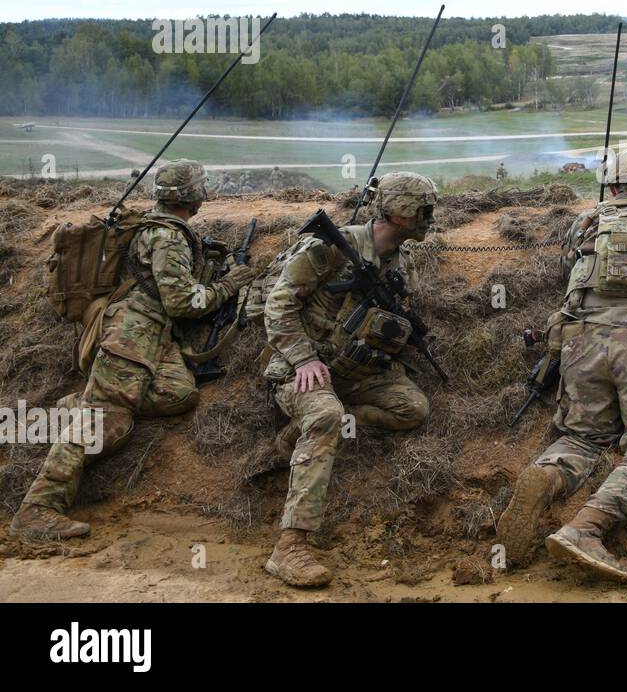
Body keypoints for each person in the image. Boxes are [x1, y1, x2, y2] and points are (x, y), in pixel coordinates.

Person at [8, 160, 255, 541]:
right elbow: (181, 303)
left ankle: (85, 401)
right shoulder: (169, 237)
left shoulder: (157, 227)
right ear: (191, 195)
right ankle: (37, 509)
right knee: (106, 425)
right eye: (202, 186)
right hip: (130, 339)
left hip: (153, 338)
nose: (205, 191)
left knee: (180, 392)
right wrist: (229, 284)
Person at [496, 148, 627, 582]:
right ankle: (587, 529)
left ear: (610, 186)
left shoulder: (586, 222)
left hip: (583, 344)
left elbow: (570, 273)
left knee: (583, 437)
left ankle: (548, 477)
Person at [260, 172, 437, 587]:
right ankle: (290, 547)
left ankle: (310, 427)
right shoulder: (329, 248)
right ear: (401, 211)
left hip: (358, 371)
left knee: (413, 408)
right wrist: (303, 359)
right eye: (425, 209)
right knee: (324, 415)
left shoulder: (402, 263)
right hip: (305, 369)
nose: (431, 218)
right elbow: (277, 305)